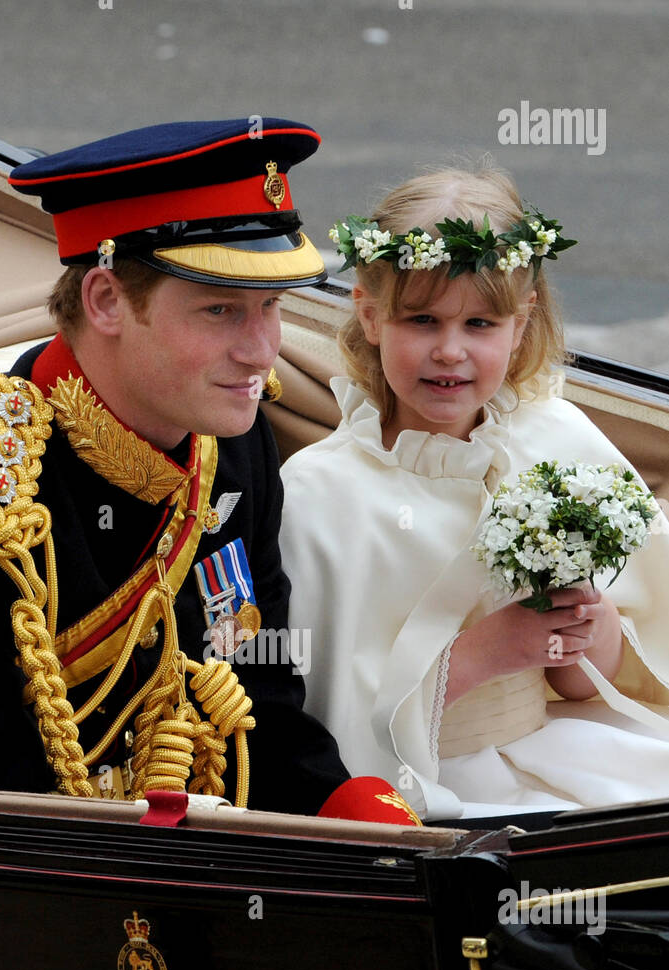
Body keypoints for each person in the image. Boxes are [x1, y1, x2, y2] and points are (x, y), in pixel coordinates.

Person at [0, 117, 386, 819]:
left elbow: (256, 696)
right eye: (221, 311)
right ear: (104, 301)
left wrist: (352, 814)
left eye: (271, 307)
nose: (261, 352)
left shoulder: (229, 446)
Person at [279, 166, 669, 821]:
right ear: (370, 316)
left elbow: (597, 679)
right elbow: (327, 717)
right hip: (433, 786)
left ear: (522, 323)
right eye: (422, 320)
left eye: (481, 324)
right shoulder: (319, 495)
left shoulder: (558, 436)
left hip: (562, 741)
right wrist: (486, 653)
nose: (450, 352)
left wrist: (587, 631)